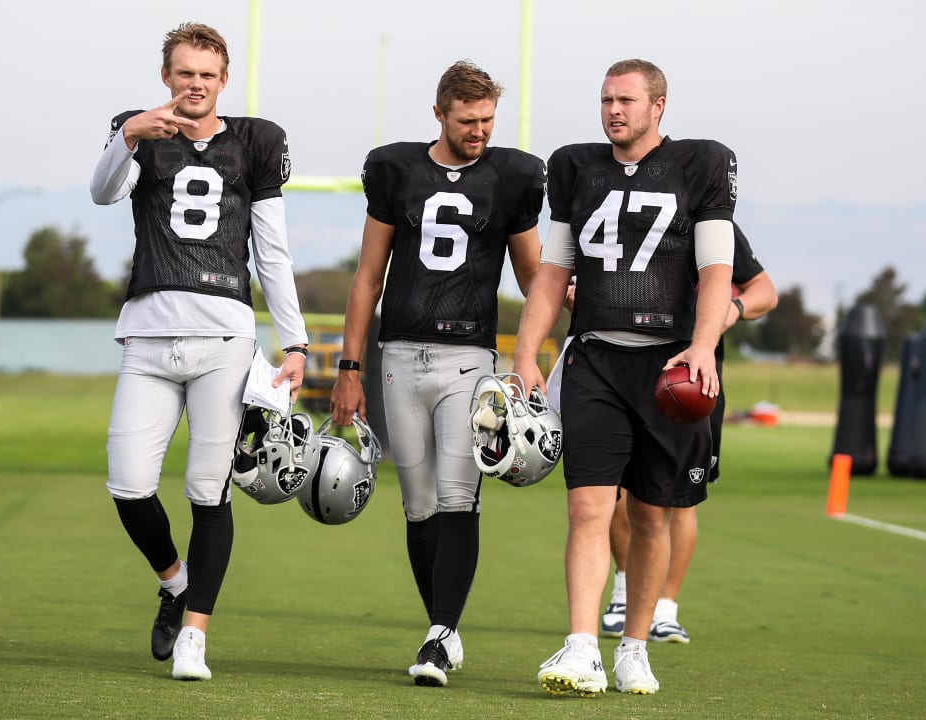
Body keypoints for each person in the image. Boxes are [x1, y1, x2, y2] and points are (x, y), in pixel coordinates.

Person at [90, 22, 309, 682]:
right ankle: (175, 580)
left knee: (206, 491)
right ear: (167, 77)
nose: (195, 84)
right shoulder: (140, 132)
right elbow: (101, 193)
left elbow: (271, 250)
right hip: (149, 333)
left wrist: (294, 339)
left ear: (222, 79)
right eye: (184, 73)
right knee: (128, 484)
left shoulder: (255, 143)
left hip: (224, 337)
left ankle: (194, 636)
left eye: (207, 74)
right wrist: (128, 135)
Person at [512, 58, 736, 697]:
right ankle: (581, 645)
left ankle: (634, 646)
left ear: (658, 106)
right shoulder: (576, 166)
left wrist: (701, 345)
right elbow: (553, 270)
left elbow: (717, 269)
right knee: (587, 506)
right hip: (596, 357)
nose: (614, 110)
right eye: (606, 99)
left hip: (668, 363)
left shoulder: (701, 164)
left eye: (627, 100)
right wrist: (528, 352)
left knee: (653, 515)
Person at [329, 60, 545, 688]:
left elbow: (534, 276)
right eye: (467, 120)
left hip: (468, 359)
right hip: (397, 354)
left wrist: (550, 338)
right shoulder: (397, 169)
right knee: (419, 507)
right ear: (439, 114)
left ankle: (438, 634)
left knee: (458, 496)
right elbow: (369, 277)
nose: (479, 131)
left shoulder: (513, 177)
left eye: (487, 120)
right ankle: (443, 631)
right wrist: (349, 365)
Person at [600, 224, 778, 643]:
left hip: (689, 382)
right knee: (614, 491)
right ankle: (625, 593)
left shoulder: (715, 225)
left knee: (679, 499)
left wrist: (730, 309)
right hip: (620, 365)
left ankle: (665, 608)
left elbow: (765, 291)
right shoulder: (621, 205)